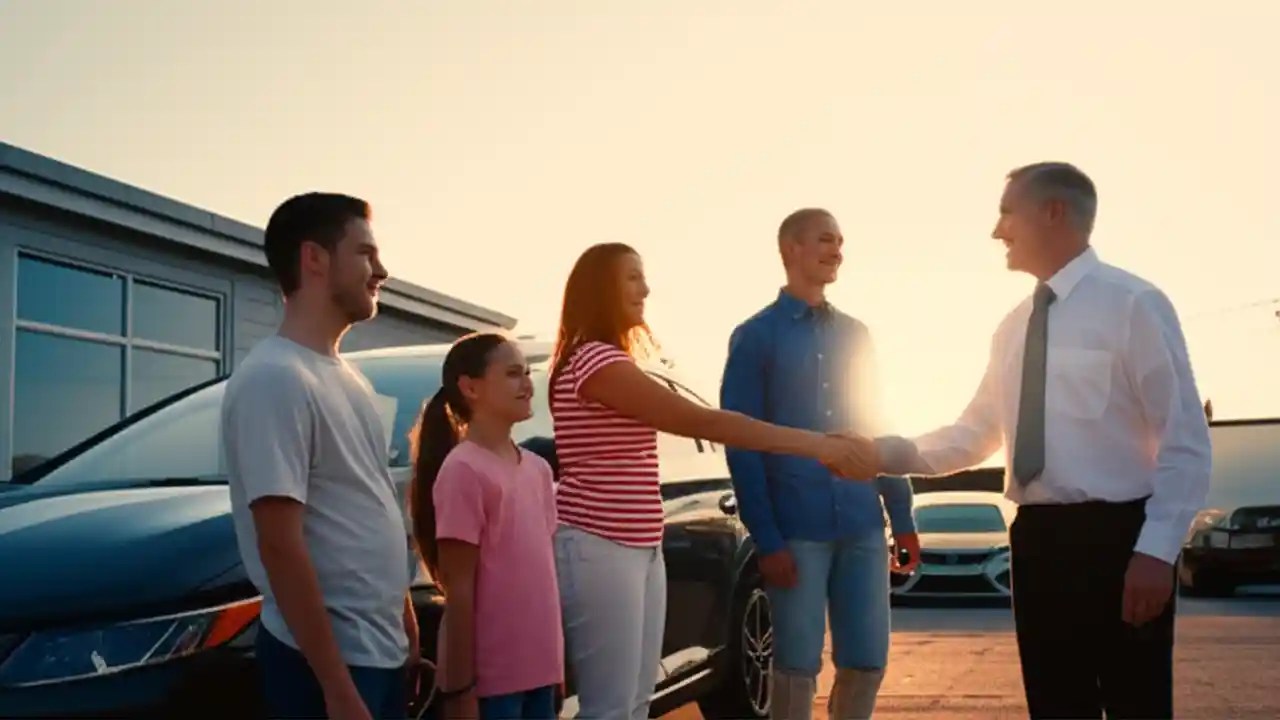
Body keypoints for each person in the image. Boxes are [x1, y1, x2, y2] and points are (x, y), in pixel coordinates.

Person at [873, 162, 1212, 719]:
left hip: (1121, 539)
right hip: (1037, 541)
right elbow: (973, 435)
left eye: (1007, 212)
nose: (996, 229)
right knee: (1056, 707)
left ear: (1054, 212)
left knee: (1137, 705)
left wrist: (1156, 551)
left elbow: (1185, 437)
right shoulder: (1012, 327)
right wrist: (885, 454)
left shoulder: (1134, 304)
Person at [548, 242, 880, 720]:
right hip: (600, 544)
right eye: (632, 278)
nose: (645, 289)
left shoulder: (613, 359)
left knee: (637, 701)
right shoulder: (594, 362)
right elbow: (704, 422)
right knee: (609, 705)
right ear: (601, 289)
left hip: (639, 544)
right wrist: (818, 445)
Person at [222, 192, 418, 720]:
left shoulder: (347, 377)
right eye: (365, 254)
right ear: (314, 258)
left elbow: (367, 501)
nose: (382, 270)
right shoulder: (275, 378)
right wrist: (335, 687)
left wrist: (403, 618)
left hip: (377, 653)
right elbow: (279, 545)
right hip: (324, 668)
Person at [720, 208, 921, 720]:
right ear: (790, 249)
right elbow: (741, 443)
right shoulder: (755, 337)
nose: (836, 251)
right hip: (795, 531)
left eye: (840, 242)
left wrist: (902, 516)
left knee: (868, 659)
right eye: (825, 240)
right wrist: (766, 538)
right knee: (795, 665)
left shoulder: (857, 335)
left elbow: (878, 424)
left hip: (861, 525)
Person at [408, 332, 563, 720]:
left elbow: (542, 575)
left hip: (540, 674)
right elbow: (459, 591)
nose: (527, 383)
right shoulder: (463, 470)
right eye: (512, 373)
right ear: (470, 387)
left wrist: (557, 666)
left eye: (527, 372)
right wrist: (459, 688)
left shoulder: (539, 470)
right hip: (491, 686)